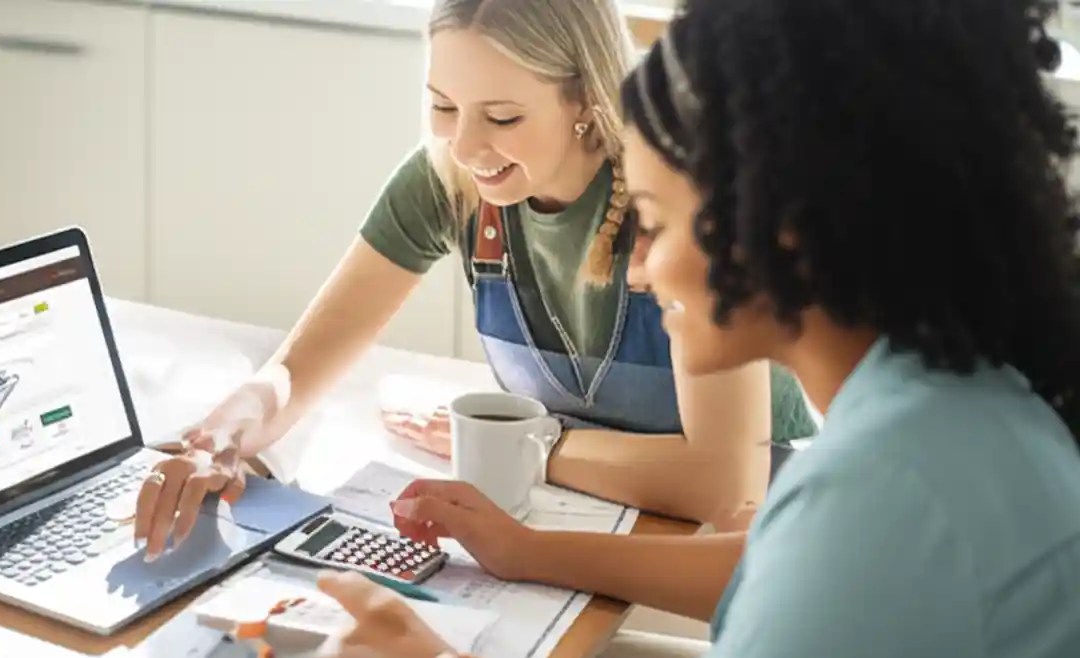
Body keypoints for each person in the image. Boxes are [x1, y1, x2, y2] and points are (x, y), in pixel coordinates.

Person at [309, 0, 1080, 658]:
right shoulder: (947, 400)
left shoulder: (880, 489)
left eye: (654, 222)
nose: (639, 268)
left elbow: (831, 543)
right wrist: (525, 550)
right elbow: (768, 564)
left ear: (779, 219)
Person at [131, 0, 817, 562]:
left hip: (750, 542)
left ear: (584, 94)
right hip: (583, 515)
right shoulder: (453, 179)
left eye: (502, 117)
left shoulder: (670, 191)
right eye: (442, 105)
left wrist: (521, 444)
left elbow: (722, 482)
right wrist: (227, 431)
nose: (463, 144)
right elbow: (301, 365)